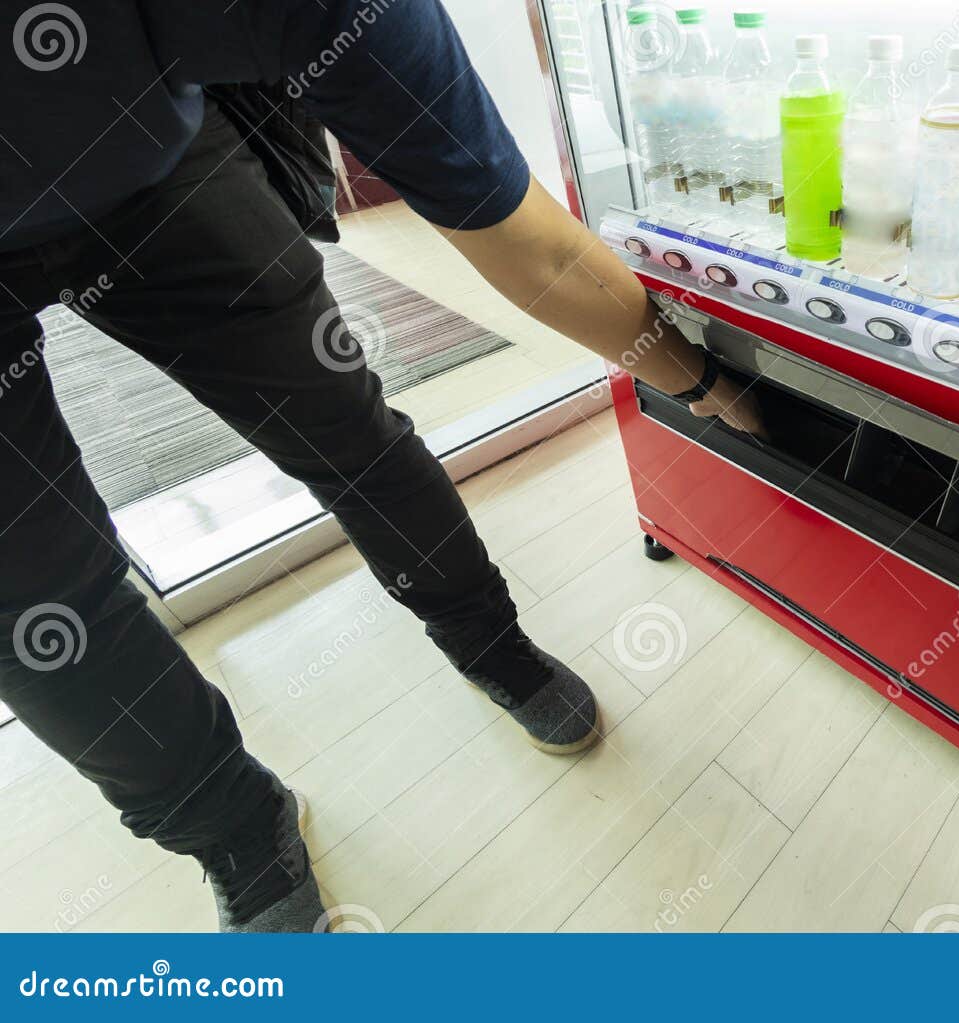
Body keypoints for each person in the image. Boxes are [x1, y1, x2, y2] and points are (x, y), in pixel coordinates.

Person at [0, 0, 760, 932]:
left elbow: (533, 246)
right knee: (29, 598)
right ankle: (234, 826)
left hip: (153, 169)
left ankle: (490, 645)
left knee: (346, 432)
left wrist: (706, 384)